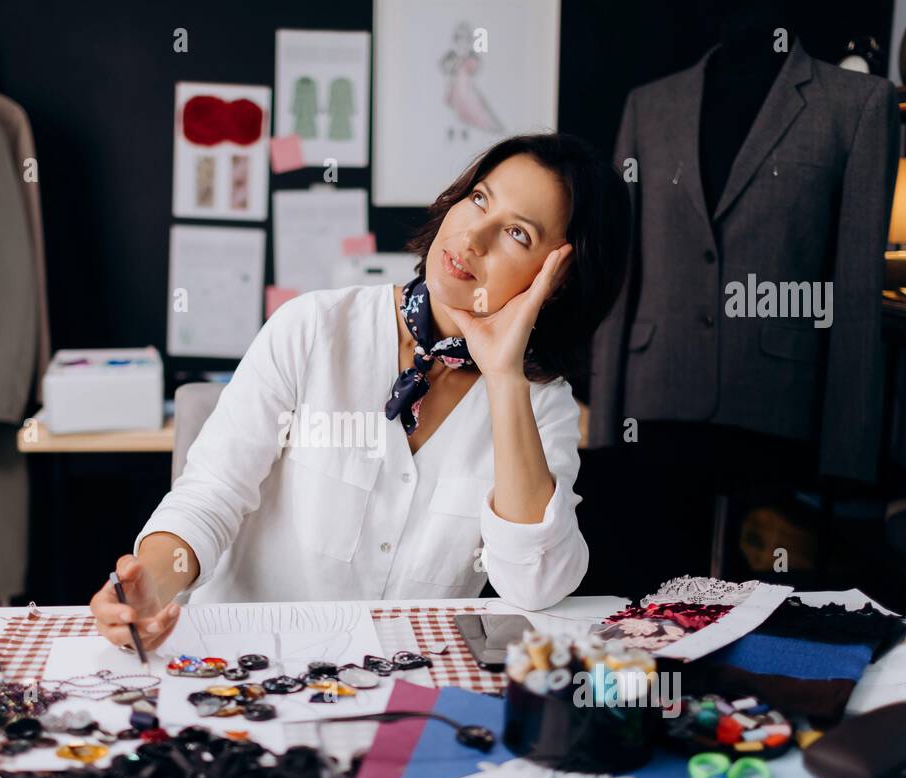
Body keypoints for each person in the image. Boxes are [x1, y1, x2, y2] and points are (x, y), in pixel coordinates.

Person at [91, 133, 630, 649]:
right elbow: (212, 495)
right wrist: (151, 586)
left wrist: (506, 378)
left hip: (403, 687)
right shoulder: (313, 327)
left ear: (556, 278)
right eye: (478, 199)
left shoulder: (542, 402)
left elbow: (533, 585)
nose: (472, 238)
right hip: (243, 667)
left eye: (518, 234)